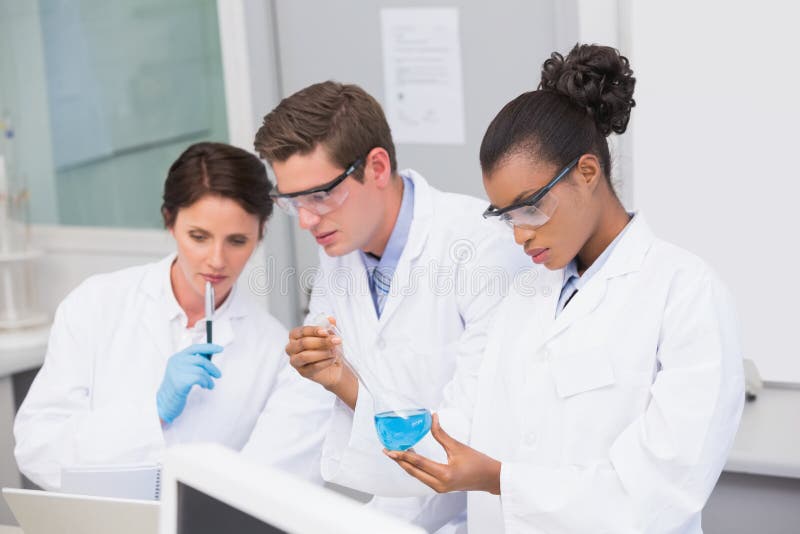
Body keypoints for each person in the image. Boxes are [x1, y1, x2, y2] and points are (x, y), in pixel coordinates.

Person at [336, 44, 744, 533]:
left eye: (530, 208)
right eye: (505, 216)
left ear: (587, 173)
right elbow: (463, 429)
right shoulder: (522, 296)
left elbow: (663, 487)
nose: (519, 233)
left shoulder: (685, 292)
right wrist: (341, 379)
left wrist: (502, 480)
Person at [254, 81, 528, 532]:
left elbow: (467, 435)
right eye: (291, 202)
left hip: (480, 517)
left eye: (319, 195)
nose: (305, 220)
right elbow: (303, 400)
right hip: (402, 512)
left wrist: (346, 386)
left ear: (376, 167)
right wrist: (235, 496)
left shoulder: (481, 249)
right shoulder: (341, 254)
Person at [14, 142, 333, 490]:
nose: (216, 259)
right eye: (199, 237)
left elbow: (267, 489)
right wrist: (152, 413)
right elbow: (37, 449)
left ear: (260, 235)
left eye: (237, 241)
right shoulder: (95, 306)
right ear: (169, 221)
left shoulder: (272, 351)